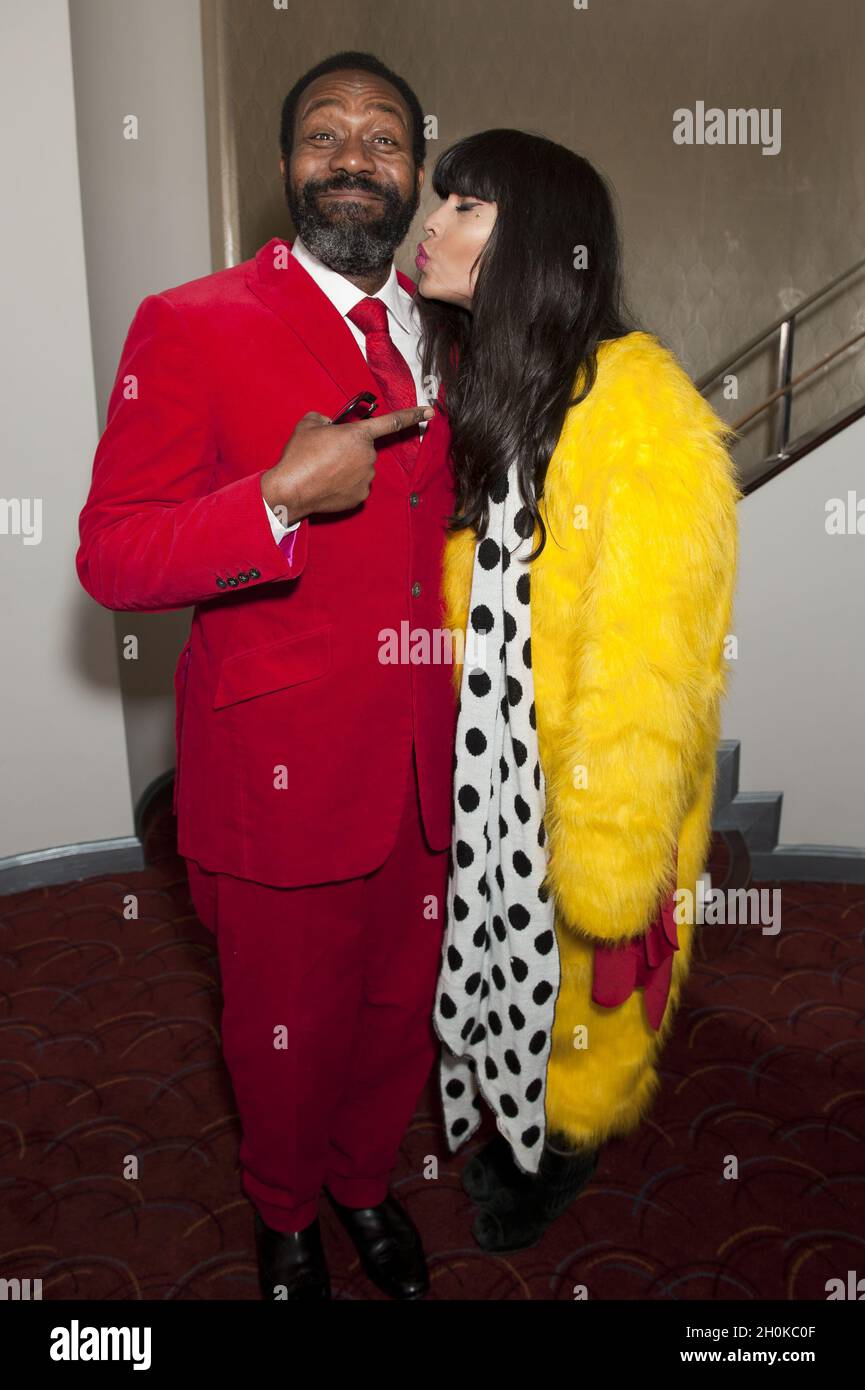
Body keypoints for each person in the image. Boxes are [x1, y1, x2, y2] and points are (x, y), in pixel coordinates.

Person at [76, 51, 457, 1301]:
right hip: (278, 785)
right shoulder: (188, 325)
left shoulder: (449, 334)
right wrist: (274, 504)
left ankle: (360, 1182)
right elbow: (113, 554)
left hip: (428, 767)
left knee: (399, 1020)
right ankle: (286, 1212)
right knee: (284, 1041)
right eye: (325, 134)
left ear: (416, 171)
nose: (354, 156)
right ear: (285, 166)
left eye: (385, 138)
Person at [415, 129, 741, 1252]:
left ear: (541, 246)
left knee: (583, 1017)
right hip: (490, 776)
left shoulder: (642, 411)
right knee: (503, 972)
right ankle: (513, 1109)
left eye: (466, 209)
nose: (433, 224)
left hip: (590, 791)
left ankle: (559, 1146)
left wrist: (607, 857)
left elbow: (652, 666)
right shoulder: (479, 380)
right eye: (440, 202)